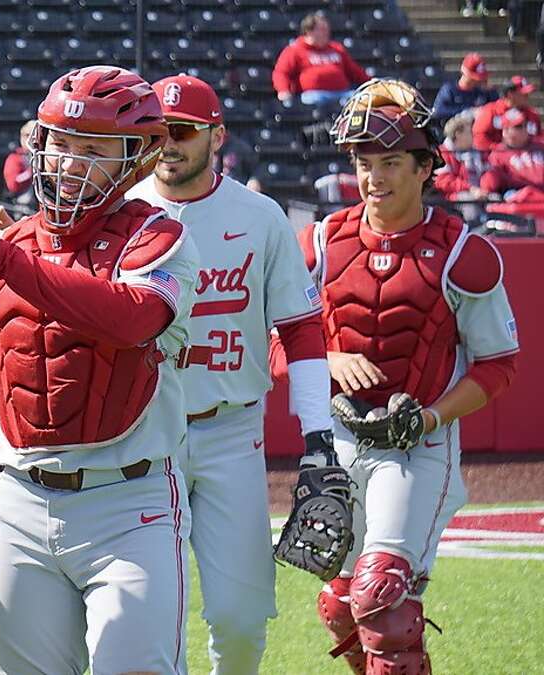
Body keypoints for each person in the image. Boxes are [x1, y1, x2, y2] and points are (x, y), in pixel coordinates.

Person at [0, 65, 202, 674]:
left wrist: (0, 257)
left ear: (138, 157)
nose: (69, 162)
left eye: (92, 149)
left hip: (131, 502)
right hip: (21, 499)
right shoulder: (7, 246)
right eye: (61, 143)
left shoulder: (161, 238)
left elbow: (129, 319)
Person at [288, 80, 519, 673]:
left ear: (424, 167)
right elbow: (277, 340)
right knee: (341, 604)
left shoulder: (463, 252)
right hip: (342, 439)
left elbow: (498, 365)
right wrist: (329, 360)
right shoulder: (320, 241)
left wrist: (432, 417)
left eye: (390, 162)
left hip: (419, 446)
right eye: (364, 163)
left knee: (381, 596)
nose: (374, 177)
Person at [126, 74, 333, 675]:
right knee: (146, 619)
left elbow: (301, 328)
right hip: (140, 435)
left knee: (241, 620)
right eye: (158, 131)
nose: (169, 143)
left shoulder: (259, 215)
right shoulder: (121, 212)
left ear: (217, 136)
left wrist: (318, 435)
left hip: (231, 432)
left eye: (184, 131)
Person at [272, 12, 369, 107]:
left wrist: (370, 83)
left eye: (327, 29)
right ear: (309, 31)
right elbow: (281, 73)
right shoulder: (295, 50)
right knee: (312, 100)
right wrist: (283, 90)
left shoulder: (336, 49)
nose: (326, 33)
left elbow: (354, 71)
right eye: (322, 29)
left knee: (362, 100)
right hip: (314, 95)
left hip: (342, 93)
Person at [480, 107, 544, 197]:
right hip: (519, 196)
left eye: (525, 124)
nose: (525, 128)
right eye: (519, 126)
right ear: (505, 132)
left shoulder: (540, 145)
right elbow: (490, 182)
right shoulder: (498, 154)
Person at [472, 76, 541, 151]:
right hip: (496, 155)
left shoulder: (531, 114)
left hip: (526, 154)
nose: (527, 97)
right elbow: (478, 138)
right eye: (523, 94)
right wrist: (496, 147)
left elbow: (539, 137)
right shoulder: (491, 111)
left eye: (527, 94)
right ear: (510, 94)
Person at [435, 112, 488, 202]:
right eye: (469, 132)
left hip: (480, 192)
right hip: (456, 197)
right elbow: (444, 181)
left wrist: (486, 187)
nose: (473, 135)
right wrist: (470, 188)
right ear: (458, 134)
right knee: (471, 206)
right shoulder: (442, 154)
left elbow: (488, 171)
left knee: (496, 199)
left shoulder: (476, 151)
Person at [432, 53, 498, 122]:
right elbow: (438, 111)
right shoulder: (450, 89)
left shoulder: (482, 91)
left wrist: (492, 92)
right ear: (464, 74)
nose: (477, 81)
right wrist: (467, 111)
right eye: (473, 78)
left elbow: (498, 108)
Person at [1, 119, 34, 199]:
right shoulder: (15, 157)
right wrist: (32, 171)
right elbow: (13, 184)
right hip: (22, 199)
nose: (31, 139)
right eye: (27, 135)